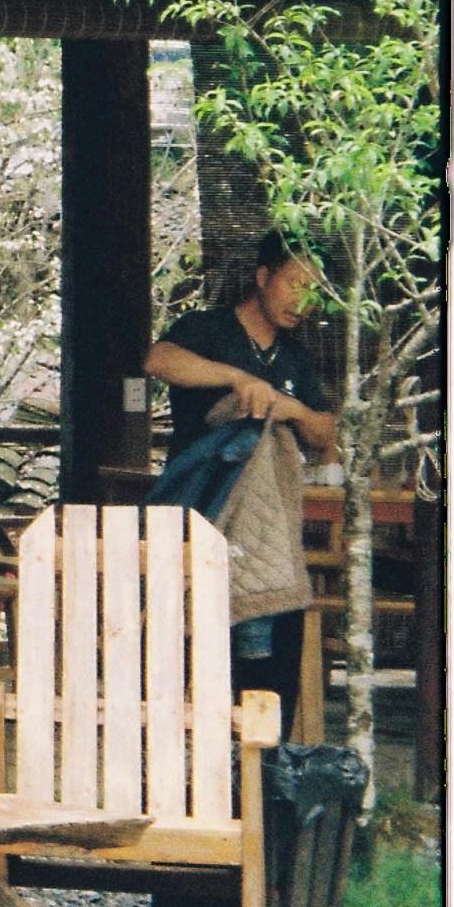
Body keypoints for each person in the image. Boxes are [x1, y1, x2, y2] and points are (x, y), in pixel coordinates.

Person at [144, 230, 338, 712]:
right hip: (200, 508)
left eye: (313, 291)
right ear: (263, 277)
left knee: (283, 609)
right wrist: (237, 378)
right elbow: (158, 359)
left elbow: (324, 430)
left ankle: (266, 750)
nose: (302, 301)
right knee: (204, 639)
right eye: (294, 283)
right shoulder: (207, 329)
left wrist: (292, 409)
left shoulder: (295, 357)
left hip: (268, 524)